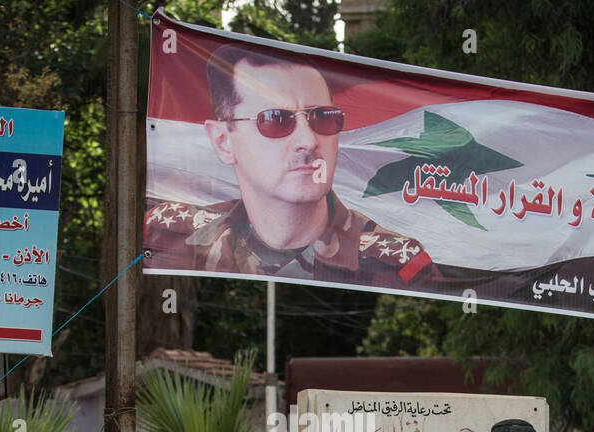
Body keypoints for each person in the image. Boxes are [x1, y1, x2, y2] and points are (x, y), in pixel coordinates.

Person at [144, 44, 438, 289]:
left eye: (323, 117)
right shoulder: (167, 236)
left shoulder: (397, 263)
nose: (308, 141)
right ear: (223, 141)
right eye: (276, 120)